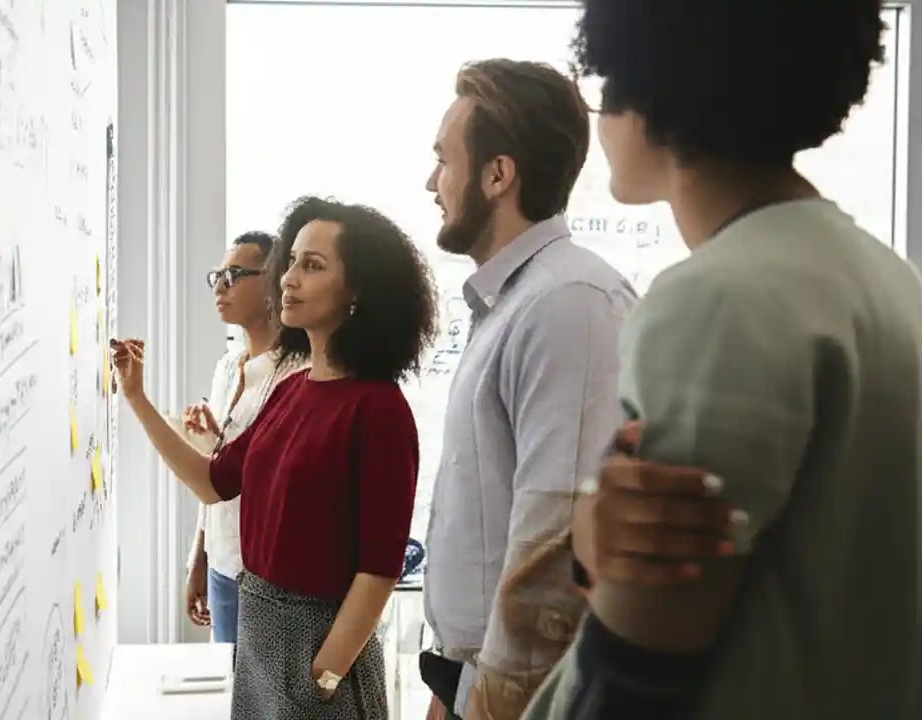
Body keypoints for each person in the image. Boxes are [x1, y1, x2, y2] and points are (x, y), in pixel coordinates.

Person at [523, 1, 922, 717]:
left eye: (603, 84)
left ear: (645, 91)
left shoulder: (717, 299)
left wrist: (596, 549)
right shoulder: (889, 281)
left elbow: (648, 646)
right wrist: (592, 541)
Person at [112, 196, 438, 718]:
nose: (288, 279)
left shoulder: (379, 409)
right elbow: (212, 481)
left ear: (357, 292)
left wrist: (322, 680)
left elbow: (377, 572)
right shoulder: (291, 390)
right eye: (291, 261)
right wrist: (136, 399)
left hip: (319, 651)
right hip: (258, 637)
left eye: (312, 266)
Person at [419, 59, 636, 720]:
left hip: (520, 698)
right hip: (473, 680)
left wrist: (488, 703)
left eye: (443, 161)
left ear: (497, 174)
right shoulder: (518, 301)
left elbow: (556, 556)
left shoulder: (567, 302)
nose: (432, 182)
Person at [181, 231, 306, 643]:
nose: (221, 285)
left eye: (235, 274)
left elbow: (285, 481)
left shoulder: (298, 373)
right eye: (218, 274)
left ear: (273, 283)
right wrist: (198, 559)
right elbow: (212, 476)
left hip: (267, 576)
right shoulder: (227, 366)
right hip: (222, 562)